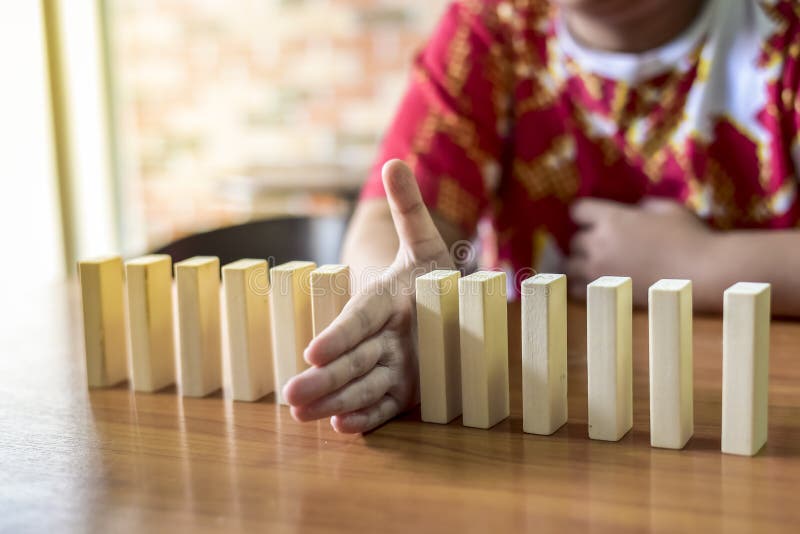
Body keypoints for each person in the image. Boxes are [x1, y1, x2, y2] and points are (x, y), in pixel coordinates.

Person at [284, 0, 800, 433]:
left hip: (751, 417)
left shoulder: (783, 30)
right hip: (529, 416)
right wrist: (412, 307)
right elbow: (390, 226)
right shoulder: (493, 25)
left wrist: (703, 262)